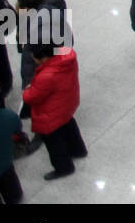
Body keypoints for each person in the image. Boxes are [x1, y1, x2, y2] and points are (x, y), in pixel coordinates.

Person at [20, 42, 87, 181]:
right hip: (67, 102)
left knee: (53, 142)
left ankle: (64, 168)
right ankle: (78, 150)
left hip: (50, 112)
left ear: (44, 58)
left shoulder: (47, 75)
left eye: (35, 58)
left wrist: (27, 89)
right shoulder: (67, 56)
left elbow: (31, 96)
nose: (34, 60)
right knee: (69, 125)